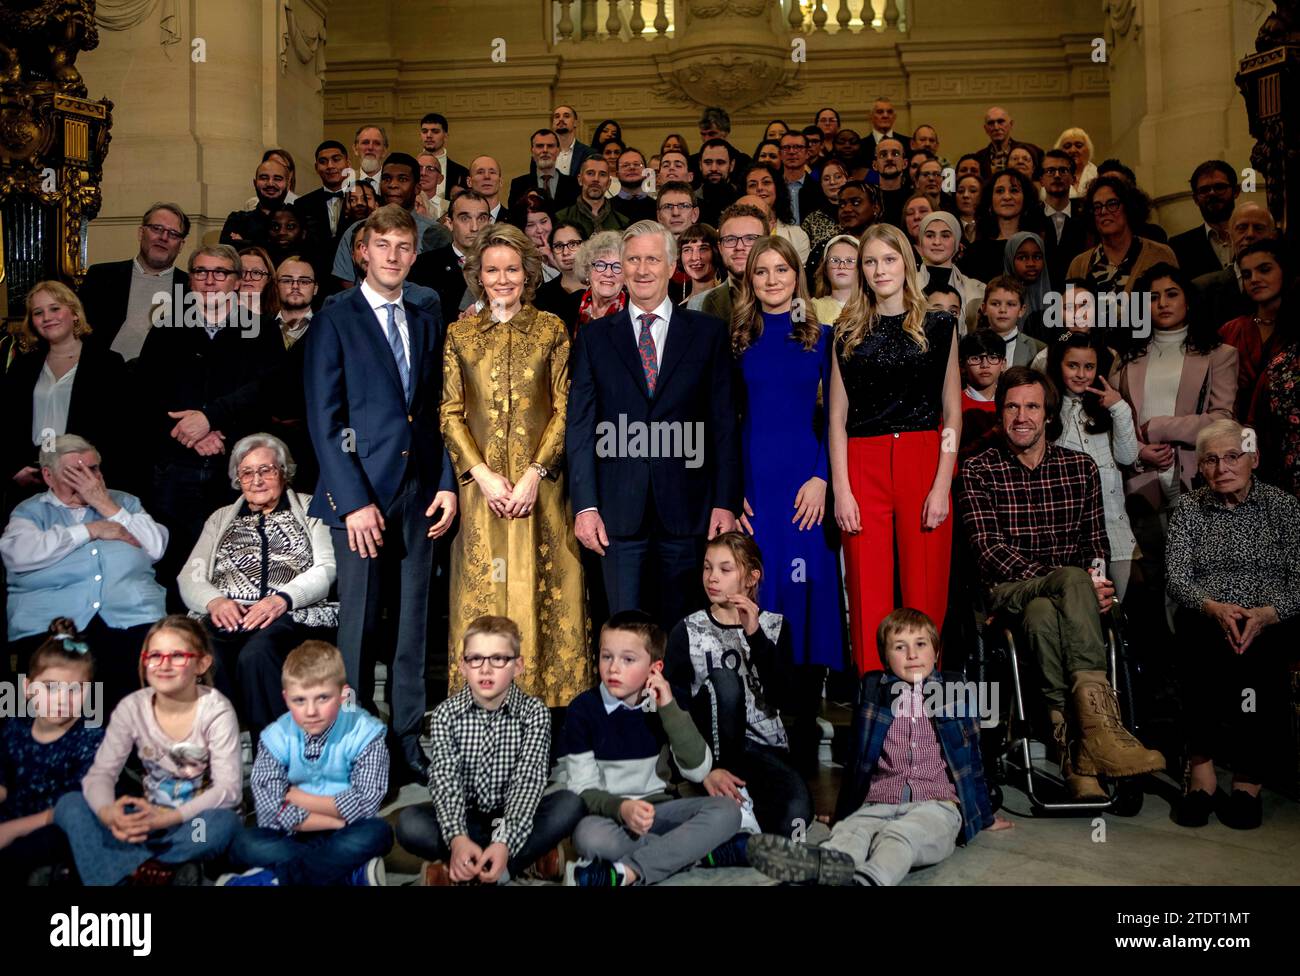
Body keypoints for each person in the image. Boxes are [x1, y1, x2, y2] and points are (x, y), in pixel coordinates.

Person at [303, 205, 459, 784]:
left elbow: (442, 413)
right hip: (360, 498)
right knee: (361, 627)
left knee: (413, 625)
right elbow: (324, 418)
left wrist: (447, 483)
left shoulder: (424, 319)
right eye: (382, 245)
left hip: (419, 493)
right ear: (362, 252)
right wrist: (354, 500)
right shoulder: (335, 318)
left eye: (403, 246)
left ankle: (409, 740)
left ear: (414, 254)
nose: (393, 255)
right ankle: (358, 743)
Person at [960, 367, 1165, 799]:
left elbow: (1095, 545)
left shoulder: (1080, 467)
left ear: (1047, 416)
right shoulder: (979, 469)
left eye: (1031, 406)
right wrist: (1070, 581)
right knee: (1064, 584)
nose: (1021, 416)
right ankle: (1103, 733)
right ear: (1000, 414)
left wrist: (1096, 581)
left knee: (1044, 610)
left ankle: (1076, 751)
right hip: (1006, 590)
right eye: (1012, 406)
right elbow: (988, 551)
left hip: (1055, 603)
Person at [440, 223, 591, 707]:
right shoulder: (460, 334)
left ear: (528, 274)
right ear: (477, 276)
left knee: (545, 596)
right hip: (481, 492)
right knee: (482, 596)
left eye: (512, 269)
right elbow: (449, 412)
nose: (502, 279)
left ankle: (548, 712)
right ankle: (479, 711)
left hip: (541, 491)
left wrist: (534, 474)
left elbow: (568, 408)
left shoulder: (551, 329)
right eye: (492, 270)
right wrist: (481, 475)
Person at [748, 608, 1006, 886]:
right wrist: (843, 812)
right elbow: (858, 760)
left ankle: (869, 880)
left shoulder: (954, 691)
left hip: (936, 804)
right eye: (899, 647)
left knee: (901, 837)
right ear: (885, 657)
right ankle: (819, 872)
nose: (912, 654)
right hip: (879, 800)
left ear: (936, 650)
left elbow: (973, 761)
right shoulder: (874, 691)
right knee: (850, 832)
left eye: (921, 644)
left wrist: (986, 817)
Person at [566, 221, 741, 630]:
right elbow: (580, 428)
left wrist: (725, 500)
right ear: (622, 266)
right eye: (633, 260)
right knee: (625, 631)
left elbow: (724, 425)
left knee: (682, 632)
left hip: (688, 512)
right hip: (616, 516)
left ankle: (674, 697)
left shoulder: (707, 334)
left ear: (671, 265)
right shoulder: (595, 339)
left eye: (652, 259)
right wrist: (586, 506)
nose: (642, 269)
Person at [830, 224, 961, 673]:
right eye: (870, 261)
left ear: (906, 262)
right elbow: (836, 420)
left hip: (923, 458)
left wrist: (943, 484)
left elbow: (952, 412)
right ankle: (873, 702)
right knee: (867, 590)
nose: (879, 269)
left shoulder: (940, 324)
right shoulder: (845, 328)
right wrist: (842, 491)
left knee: (925, 590)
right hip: (862, 461)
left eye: (888, 259)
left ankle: (924, 709)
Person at [1167, 419, 1300, 829]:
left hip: (1270, 617)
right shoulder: (1190, 509)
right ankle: (1202, 773)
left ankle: (1248, 780)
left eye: (1232, 456)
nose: (1222, 467)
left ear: (1254, 459)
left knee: (1262, 674)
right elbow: (1176, 577)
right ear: (1200, 467)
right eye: (1211, 459)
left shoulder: (1284, 507)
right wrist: (1213, 608)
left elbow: (1299, 578)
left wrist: (1266, 614)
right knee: (1196, 653)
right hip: (1208, 615)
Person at [137, 244, 286, 594]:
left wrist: (210, 418)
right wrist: (191, 432)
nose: (209, 281)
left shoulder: (259, 329)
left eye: (220, 273)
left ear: (236, 281)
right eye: (200, 272)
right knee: (174, 564)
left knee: (235, 565)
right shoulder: (168, 326)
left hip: (235, 467)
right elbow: (145, 392)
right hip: (176, 467)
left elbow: (269, 391)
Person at [555, 611, 743, 886]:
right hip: (608, 815)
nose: (613, 668)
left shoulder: (669, 702)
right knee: (589, 837)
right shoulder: (583, 710)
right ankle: (697, 855)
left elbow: (698, 769)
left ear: (655, 669)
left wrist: (668, 707)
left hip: (659, 813)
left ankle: (626, 873)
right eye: (606, 656)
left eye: (628, 659)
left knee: (728, 812)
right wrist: (622, 808)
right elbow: (581, 789)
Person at [52, 615, 242, 886]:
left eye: (177, 656)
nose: (164, 665)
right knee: (70, 804)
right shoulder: (132, 706)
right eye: (155, 656)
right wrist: (109, 813)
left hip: (191, 826)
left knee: (221, 824)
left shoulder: (216, 710)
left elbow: (229, 789)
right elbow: (101, 775)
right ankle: (153, 871)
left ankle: (124, 870)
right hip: (145, 825)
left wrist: (172, 817)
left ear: (202, 663)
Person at [728, 236, 844, 681]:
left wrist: (822, 478)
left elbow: (837, 419)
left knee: (806, 583)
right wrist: (734, 490)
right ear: (749, 280)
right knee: (763, 581)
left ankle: (804, 710)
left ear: (797, 276)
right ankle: (761, 703)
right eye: (761, 271)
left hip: (805, 483)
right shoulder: (738, 340)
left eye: (781, 269)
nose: (772, 279)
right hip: (756, 482)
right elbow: (728, 421)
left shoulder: (823, 338)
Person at [395, 615, 586, 884]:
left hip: (515, 815)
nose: (485, 669)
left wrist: (504, 842)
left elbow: (527, 783)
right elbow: (445, 781)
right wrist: (458, 838)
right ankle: (508, 864)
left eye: (498, 659)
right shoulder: (445, 715)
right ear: (462, 666)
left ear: (517, 665)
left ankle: (469, 871)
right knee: (410, 823)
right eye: (476, 659)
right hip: (466, 816)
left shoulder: (534, 714)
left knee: (570, 805)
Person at [178, 433, 337, 732]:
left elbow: (327, 568)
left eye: (267, 470)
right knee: (211, 655)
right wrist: (215, 602)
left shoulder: (312, 509)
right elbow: (190, 575)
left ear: (284, 472)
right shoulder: (221, 518)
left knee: (257, 653)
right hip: (228, 614)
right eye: (247, 472)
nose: (257, 479)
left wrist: (282, 599)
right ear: (238, 479)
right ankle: (224, 746)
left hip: (290, 613)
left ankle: (275, 750)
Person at [1, 435, 167, 714]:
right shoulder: (31, 510)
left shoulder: (125, 502)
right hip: (49, 625)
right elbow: (19, 554)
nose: (89, 479)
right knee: (53, 687)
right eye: (76, 472)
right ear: (48, 476)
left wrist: (107, 506)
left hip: (134, 619)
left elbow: (156, 546)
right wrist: (90, 530)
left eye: (93, 469)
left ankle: (132, 752)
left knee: (139, 685)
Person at [665, 533, 813, 837]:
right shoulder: (687, 629)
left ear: (751, 577)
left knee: (796, 821)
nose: (712, 578)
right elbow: (675, 703)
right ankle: (730, 796)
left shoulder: (775, 626)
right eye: (707, 568)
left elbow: (785, 697)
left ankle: (738, 813)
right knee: (724, 678)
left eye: (725, 569)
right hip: (711, 748)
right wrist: (703, 766)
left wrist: (754, 634)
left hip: (762, 748)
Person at [1113, 264, 1237, 629]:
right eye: (1152, 297)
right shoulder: (1126, 357)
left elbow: (1221, 419)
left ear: (1188, 299)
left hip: (1195, 477)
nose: (1162, 303)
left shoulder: (1219, 353)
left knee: (1196, 577)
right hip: (1139, 477)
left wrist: (1158, 428)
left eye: (1171, 293)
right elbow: (1112, 421)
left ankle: (1193, 663)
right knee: (1152, 577)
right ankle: (1160, 670)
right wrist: (1138, 448)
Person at [219, 641, 391, 886]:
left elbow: (365, 804)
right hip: (294, 835)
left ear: (343, 695)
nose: (311, 711)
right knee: (244, 844)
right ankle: (346, 876)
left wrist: (297, 797)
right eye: (299, 700)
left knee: (377, 833)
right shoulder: (276, 737)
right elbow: (270, 812)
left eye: (322, 698)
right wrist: (334, 818)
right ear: (286, 699)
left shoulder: (365, 734)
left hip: (348, 833)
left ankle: (277, 879)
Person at [2, 282, 127, 513]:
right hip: (30, 481)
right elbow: (6, 421)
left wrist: (87, 471)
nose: (47, 317)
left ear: (75, 314)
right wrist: (14, 468)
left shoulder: (108, 364)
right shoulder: (23, 366)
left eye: (55, 308)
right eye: (38, 313)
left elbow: (119, 429)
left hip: (84, 482)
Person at [0, 618, 104, 885]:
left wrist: (10, 831)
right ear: (27, 689)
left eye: (74, 690)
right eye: (49, 687)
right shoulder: (16, 726)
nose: (61, 699)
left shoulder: (89, 739)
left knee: (24, 853)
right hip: (15, 813)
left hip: (56, 826)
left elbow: (73, 810)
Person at [1045, 334, 1140, 600]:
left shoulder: (1107, 409)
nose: (1081, 374)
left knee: (1128, 609)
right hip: (1070, 540)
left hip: (1115, 531)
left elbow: (1127, 457)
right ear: (1057, 366)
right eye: (1072, 365)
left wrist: (1119, 408)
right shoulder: (1047, 410)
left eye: (1089, 367)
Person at [77, 202, 189, 360]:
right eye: (156, 228)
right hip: (103, 376)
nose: (163, 237)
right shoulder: (101, 276)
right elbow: (77, 333)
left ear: (181, 245)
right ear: (141, 233)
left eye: (173, 233)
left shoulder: (190, 287)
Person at [331, 153, 452, 288]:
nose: (393, 185)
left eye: (402, 179)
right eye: (387, 179)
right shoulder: (358, 229)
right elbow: (346, 281)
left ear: (417, 188)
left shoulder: (436, 233)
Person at [1067, 175, 1179, 296]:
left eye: (1112, 204)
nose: (1103, 211)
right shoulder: (1079, 265)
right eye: (1097, 207)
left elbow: (1176, 305)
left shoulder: (1160, 255)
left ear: (1129, 207)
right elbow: (1066, 311)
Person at [1219, 239, 1289, 421]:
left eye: (1264, 270)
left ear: (1284, 270)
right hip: (1237, 432)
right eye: (1247, 274)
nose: (1255, 279)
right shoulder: (1231, 330)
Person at [408, 189, 492, 316]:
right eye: (465, 218)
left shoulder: (505, 267)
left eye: (482, 218)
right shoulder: (423, 266)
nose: (474, 227)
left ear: (490, 223)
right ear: (450, 223)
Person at [1194, 202, 1276, 330]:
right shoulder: (1203, 289)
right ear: (1230, 236)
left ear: (1273, 236)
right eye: (1242, 228)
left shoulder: (1292, 285)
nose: (1250, 235)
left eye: (1258, 228)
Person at [960, 169, 1046, 284]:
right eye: (1000, 191)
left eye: (1014, 190)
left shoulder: (1039, 247)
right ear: (990, 201)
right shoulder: (975, 252)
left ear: (1026, 199)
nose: (1006, 197)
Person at [689, 202, 769, 320]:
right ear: (720, 248)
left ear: (767, 244)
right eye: (730, 239)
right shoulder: (697, 305)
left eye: (750, 238)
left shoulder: (793, 301)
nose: (739, 247)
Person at [916, 212, 984, 334]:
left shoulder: (977, 290)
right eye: (930, 235)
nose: (937, 242)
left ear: (957, 242)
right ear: (921, 241)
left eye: (945, 236)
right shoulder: (905, 286)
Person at [1169, 161, 1238, 280]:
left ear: (1236, 191)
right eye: (1204, 190)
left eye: (1219, 187)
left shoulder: (1255, 235)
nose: (1212, 193)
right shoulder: (1179, 247)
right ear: (1195, 199)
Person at [1039, 149, 1092, 288]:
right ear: (1041, 180)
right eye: (1050, 171)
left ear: (1073, 179)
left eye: (1063, 170)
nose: (1057, 175)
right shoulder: (1030, 217)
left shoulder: (1087, 217)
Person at [742, 163, 811, 263]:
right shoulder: (735, 233)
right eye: (752, 185)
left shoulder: (798, 236)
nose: (760, 188)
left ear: (777, 188)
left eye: (766, 182)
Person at [220, 157, 292, 249]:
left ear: (288, 185)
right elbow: (227, 254)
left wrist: (245, 243)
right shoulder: (237, 219)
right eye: (264, 178)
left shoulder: (297, 218)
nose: (270, 183)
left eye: (277, 179)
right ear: (255, 183)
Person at [957, 330, 1005, 461]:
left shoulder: (1012, 403)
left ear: (1003, 364)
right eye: (976, 358)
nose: (985, 365)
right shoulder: (953, 405)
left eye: (993, 357)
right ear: (962, 366)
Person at [979, 275, 1045, 368]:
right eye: (995, 304)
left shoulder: (1038, 349)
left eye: (1011, 304)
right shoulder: (970, 345)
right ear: (984, 308)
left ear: (1021, 310)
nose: (1002, 310)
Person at [533, 222, 587, 330]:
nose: (565, 252)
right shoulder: (541, 296)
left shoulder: (601, 289)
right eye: (559, 246)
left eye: (573, 244)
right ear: (552, 252)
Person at [556, 157, 629, 237]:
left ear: (609, 183)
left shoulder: (622, 221)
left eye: (602, 174)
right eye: (590, 173)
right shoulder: (562, 218)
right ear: (580, 179)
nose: (596, 179)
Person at [508, 128, 579, 209]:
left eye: (550, 146)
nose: (545, 150)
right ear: (532, 151)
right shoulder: (518, 185)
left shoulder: (573, 184)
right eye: (539, 146)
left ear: (558, 151)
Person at [572, 230, 628, 330]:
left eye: (617, 266)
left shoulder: (634, 311)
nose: (608, 273)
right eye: (600, 265)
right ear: (587, 270)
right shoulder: (570, 304)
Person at [1003, 231, 1052, 338]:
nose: (1031, 264)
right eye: (1022, 258)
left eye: (1037, 257)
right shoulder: (999, 300)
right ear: (1010, 259)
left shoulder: (1056, 299)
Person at [974, 106, 1042, 180]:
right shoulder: (978, 158)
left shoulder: (1032, 152)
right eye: (991, 123)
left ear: (1011, 124)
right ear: (986, 129)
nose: (996, 127)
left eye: (1000, 122)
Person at [802, 157, 849, 255]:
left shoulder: (859, 214)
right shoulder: (812, 220)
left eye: (838, 177)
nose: (832, 182)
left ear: (848, 180)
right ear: (821, 184)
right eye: (826, 179)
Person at [418, 113, 468, 202]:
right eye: (424, 131)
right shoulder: (410, 168)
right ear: (420, 135)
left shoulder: (462, 172)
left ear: (445, 136)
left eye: (435, 131)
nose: (429, 135)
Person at [811, 233, 859, 324]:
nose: (841, 266)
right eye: (835, 260)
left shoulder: (873, 307)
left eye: (849, 261)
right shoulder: (812, 308)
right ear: (825, 268)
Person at [676, 222, 721, 306]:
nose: (695, 257)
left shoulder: (730, 303)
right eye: (687, 250)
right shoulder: (678, 310)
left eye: (703, 249)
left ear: (716, 252)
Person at [550, 104, 592, 177]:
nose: (561, 119)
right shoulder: (542, 153)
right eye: (557, 116)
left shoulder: (589, 153)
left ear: (575, 123)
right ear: (553, 124)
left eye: (566, 116)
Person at [1054, 127, 1097, 198]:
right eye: (1067, 146)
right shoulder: (1051, 177)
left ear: (1088, 149)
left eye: (1078, 146)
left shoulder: (1097, 175)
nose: (1073, 150)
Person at [238, 246, 279, 319]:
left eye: (256, 273)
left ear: (268, 279)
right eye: (242, 272)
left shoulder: (277, 318)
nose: (247, 278)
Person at [351, 124, 388, 192]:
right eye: (365, 142)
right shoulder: (345, 182)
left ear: (384, 151)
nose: (370, 147)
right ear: (355, 149)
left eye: (377, 143)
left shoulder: (391, 183)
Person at [954, 173, 982, 245]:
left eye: (973, 191)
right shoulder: (948, 225)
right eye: (960, 191)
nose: (965, 195)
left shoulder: (991, 227)